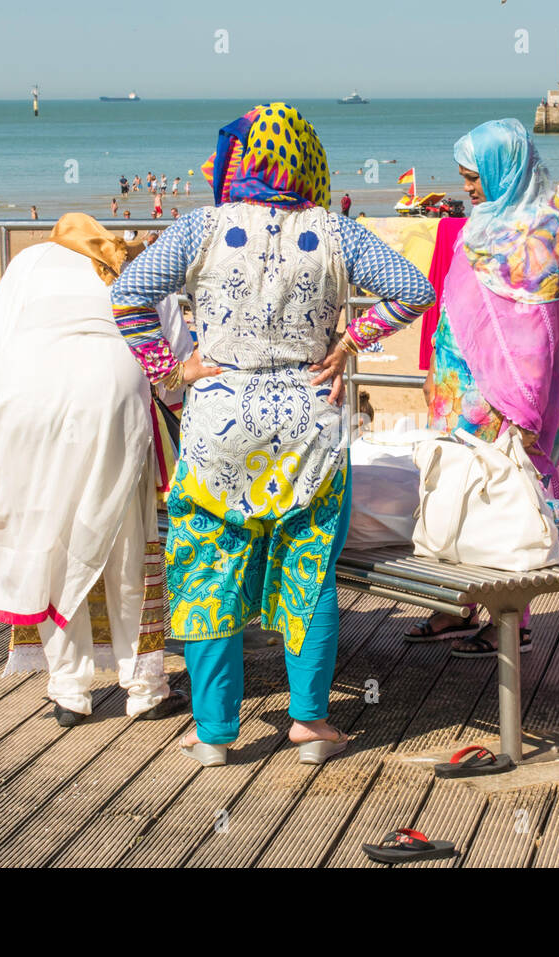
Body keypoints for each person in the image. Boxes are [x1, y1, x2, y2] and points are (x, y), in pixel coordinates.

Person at [111, 102, 435, 767]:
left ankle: (213, 731)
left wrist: (172, 371)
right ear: (306, 160)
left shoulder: (204, 225)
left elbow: (126, 294)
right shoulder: (335, 231)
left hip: (218, 425)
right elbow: (415, 289)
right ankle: (310, 723)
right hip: (309, 425)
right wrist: (348, 343)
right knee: (307, 574)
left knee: (210, 571)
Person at [0, 213, 188, 728]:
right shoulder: (142, 267)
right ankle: (146, 687)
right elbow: (173, 373)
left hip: (27, 408)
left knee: (48, 538)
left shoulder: (29, 261)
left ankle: (69, 689)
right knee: (128, 542)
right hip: (113, 403)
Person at [408, 118, 559, 657]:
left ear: (504, 169)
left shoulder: (540, 230)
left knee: (504, 493)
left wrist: (514, 393)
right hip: (456, 375)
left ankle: (515, 620)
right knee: (452, 487)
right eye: (464, 176)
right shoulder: (481, 224)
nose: (468, 187)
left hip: (507, 389)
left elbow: (542, 326)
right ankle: (453, 605)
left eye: (474, 176)